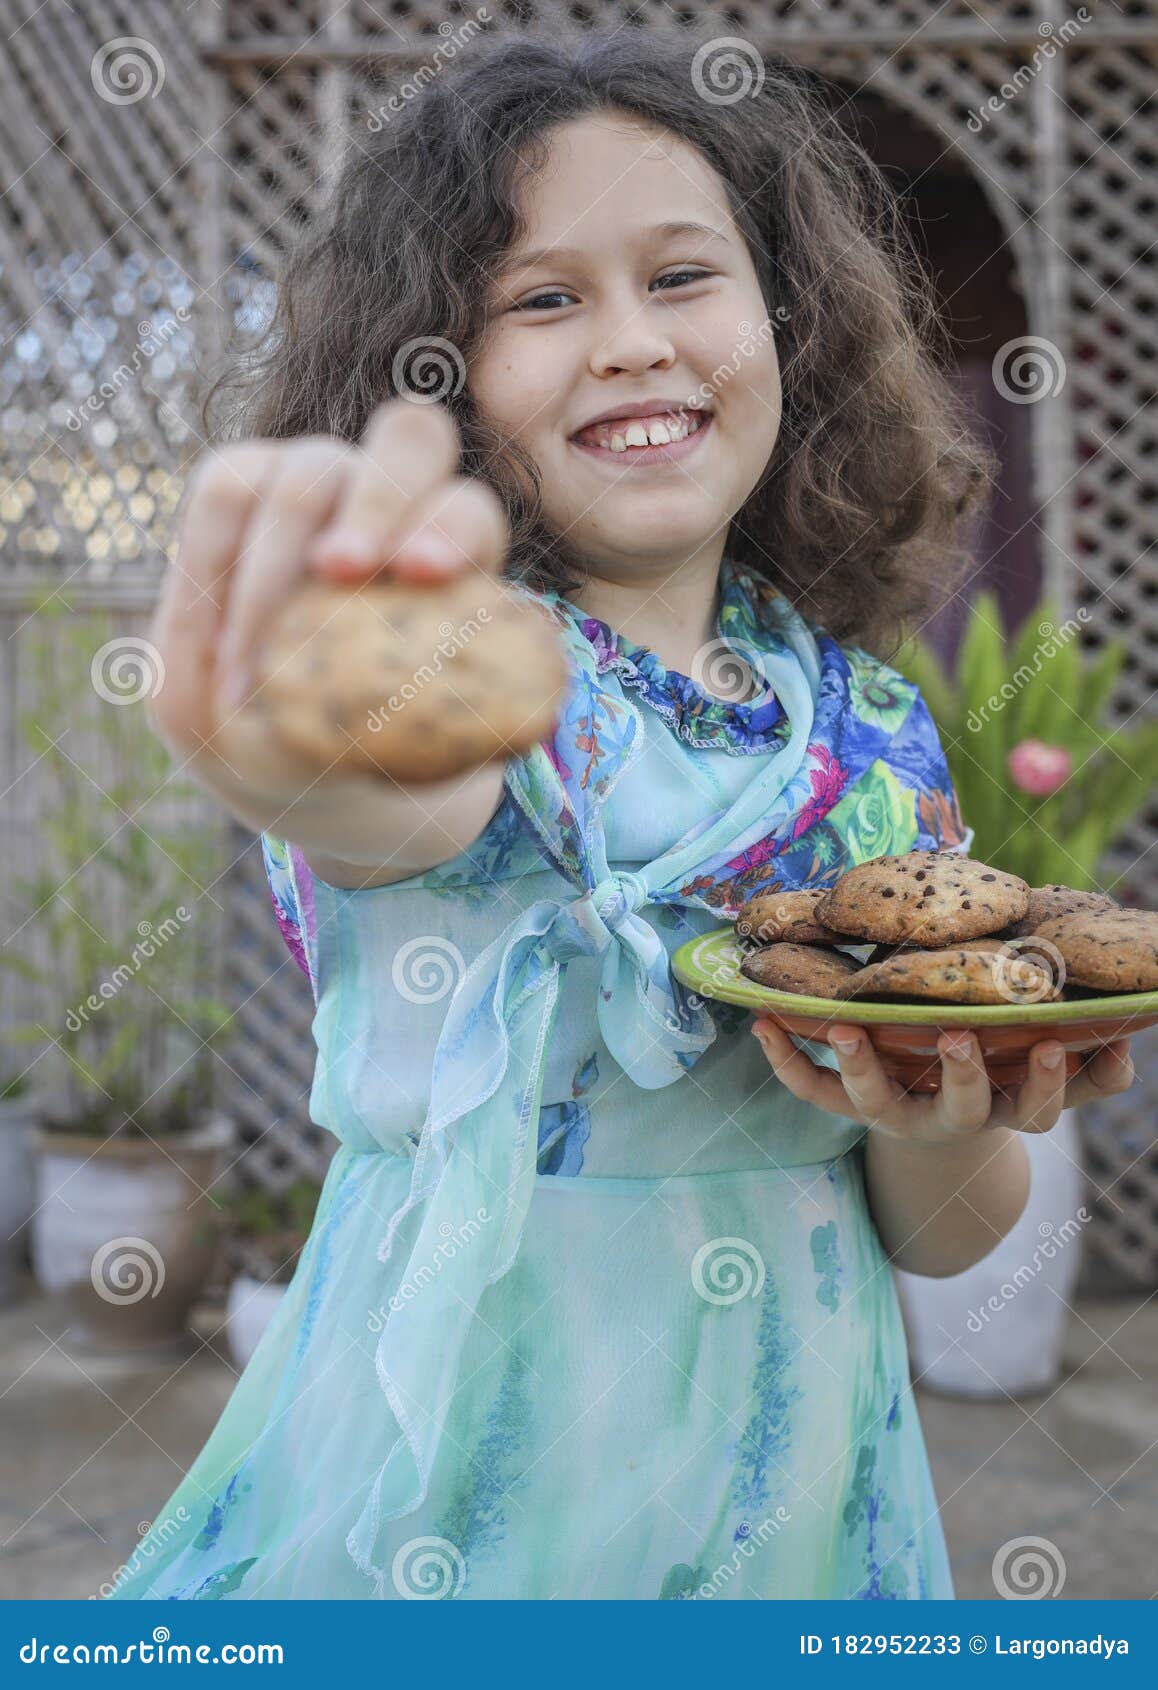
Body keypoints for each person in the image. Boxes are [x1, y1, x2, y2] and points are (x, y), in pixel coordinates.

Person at [104, 30, 1134, 1601]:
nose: (631, 341)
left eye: (681, 276)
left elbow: (941, 1238)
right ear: (429, 364)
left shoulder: (869, 729)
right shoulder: (476, 662)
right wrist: (277, 756)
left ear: (786, 320)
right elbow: (394, 802)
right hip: (454, 1489)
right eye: (542, 299)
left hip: (788, 1503)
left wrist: (944, 1109)